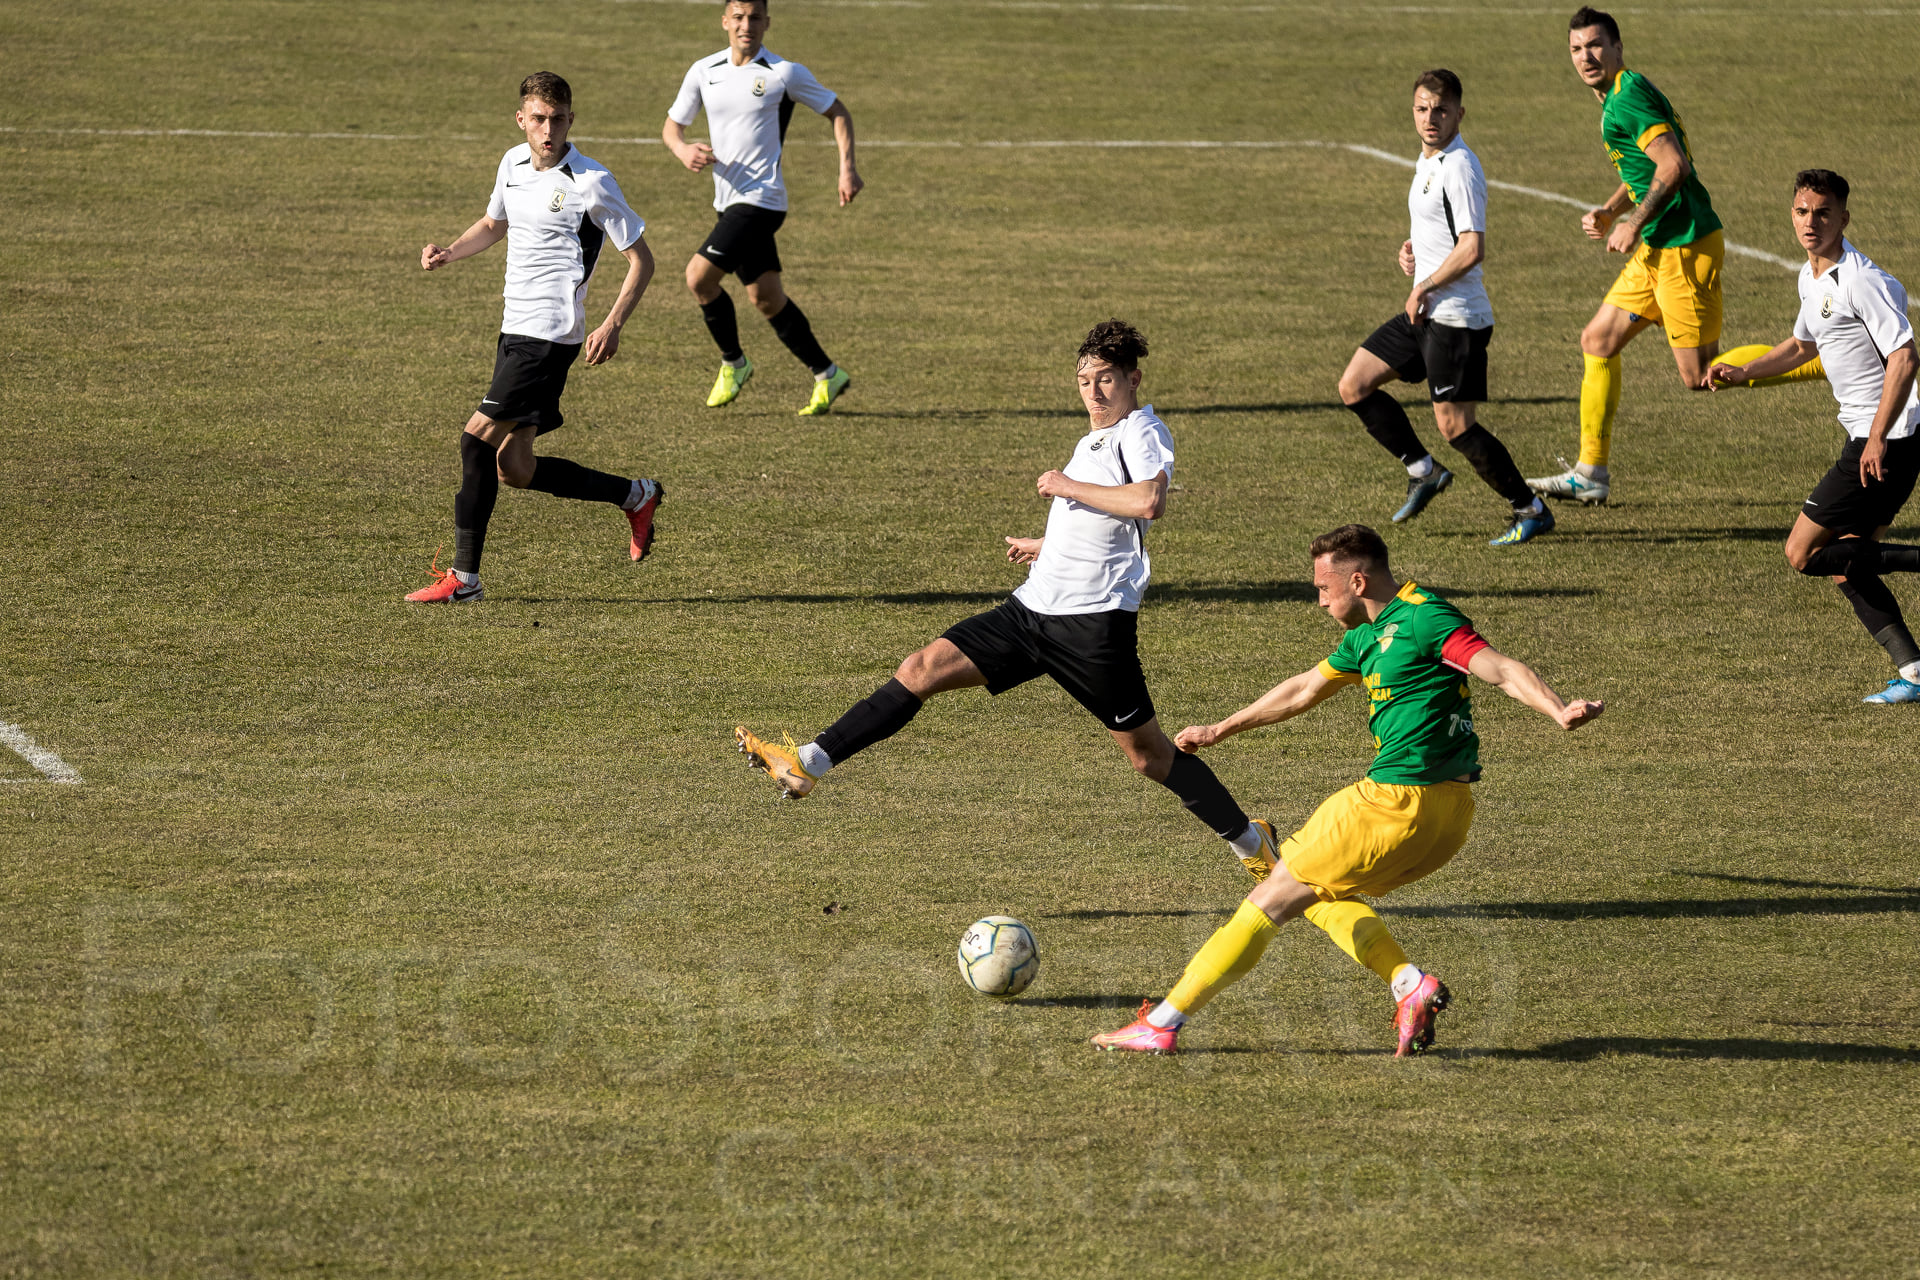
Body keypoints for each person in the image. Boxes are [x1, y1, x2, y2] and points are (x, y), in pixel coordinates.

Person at [735, 321, 1280, 879]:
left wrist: (1064, 487)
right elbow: (1105, 520)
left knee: (1149, 756)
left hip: (1091, 629)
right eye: (1084, 379)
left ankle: (1250, 843)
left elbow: (1147, 502)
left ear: (1133, 379)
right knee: (921, 668)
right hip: (1031, 612)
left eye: (1107, 379)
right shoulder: (1092, 440)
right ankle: (808, 762)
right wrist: (1048, 544)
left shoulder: (1141, 430)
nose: (1094, 391)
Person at [1093, 524, 1604, 1057]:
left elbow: (1497, 667)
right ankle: (1409, 984)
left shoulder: (1424, 618)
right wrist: (1220, 728)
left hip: (1391, 802)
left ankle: (1163, 1024)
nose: (1319, 601)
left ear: (1356, 581)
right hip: (1448, 818)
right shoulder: (1364, 638)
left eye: (1322, 588)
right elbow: (1304, 689)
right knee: (1315, 893)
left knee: (1266, 899)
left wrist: (1556, 707)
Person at [1525, 6, 1819, 509]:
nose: (1586, 56)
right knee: (1598, 339)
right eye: (1576, 49)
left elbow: (1674, 165)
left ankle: (1834, 358)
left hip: (1683, 246)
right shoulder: (1623, 92)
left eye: (1595, 45)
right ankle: (1590, 472)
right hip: (1660, 249)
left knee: (1699, 375)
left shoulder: (1625, 99)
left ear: (1617, 47)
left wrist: (1632, 222)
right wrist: (1613, 207)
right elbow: (1648, 165)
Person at [407, 72, 664, 604]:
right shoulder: (511, 164)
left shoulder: (591, 181)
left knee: (474, 440)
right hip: (513, 330)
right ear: (522, 119)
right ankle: (635, 495)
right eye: (540, 119)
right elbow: (494, 222)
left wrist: (612, 323)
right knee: (515, 469)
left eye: (560, 119)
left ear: (572, 119)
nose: (549, 130)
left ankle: (465, 580)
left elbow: (642, 258)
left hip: (549, 337)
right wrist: (450, 252)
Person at [1706, 171, 1920, 704]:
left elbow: (1905, 356)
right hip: (1880, 437)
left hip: (1885, 440)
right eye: (1802, 211)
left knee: (1802, 553)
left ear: (1843, 218)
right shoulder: (1812, 277)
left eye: (1823, 212)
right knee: (1849, 564)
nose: (1811, 222)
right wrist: (1745, 370)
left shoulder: (1861, 280)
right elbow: (1802, 347)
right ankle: (1914, 672)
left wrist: (1877, 437)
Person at [1338, 69, 1554, 547]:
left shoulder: (1460, 166)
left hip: (1456, 319)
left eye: (1440, 109)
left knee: (1456, 425)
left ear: (1459, 112)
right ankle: (1423, 470)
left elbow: (1472, 247)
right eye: (1421, 108)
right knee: (1354, 384)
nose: (1430, 118)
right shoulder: (1428, 161)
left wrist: (1424, 284)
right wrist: (1412, 252)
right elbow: (1443, 232)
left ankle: (1530, 508)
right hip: (1426, 312)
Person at [664, 0, 862, 416]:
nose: (746, 25)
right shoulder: (705, 70)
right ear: (725, 22)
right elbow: (672, 127)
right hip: (727, 202)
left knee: (698, 278)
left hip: (763, 201)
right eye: (738, 17)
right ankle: (827, 373)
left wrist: (847, 170)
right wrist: (682, 150)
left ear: (767, 22)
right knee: (767, 298)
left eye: (754, 17)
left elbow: (837, 111)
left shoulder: (783, 73)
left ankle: (734, 363)